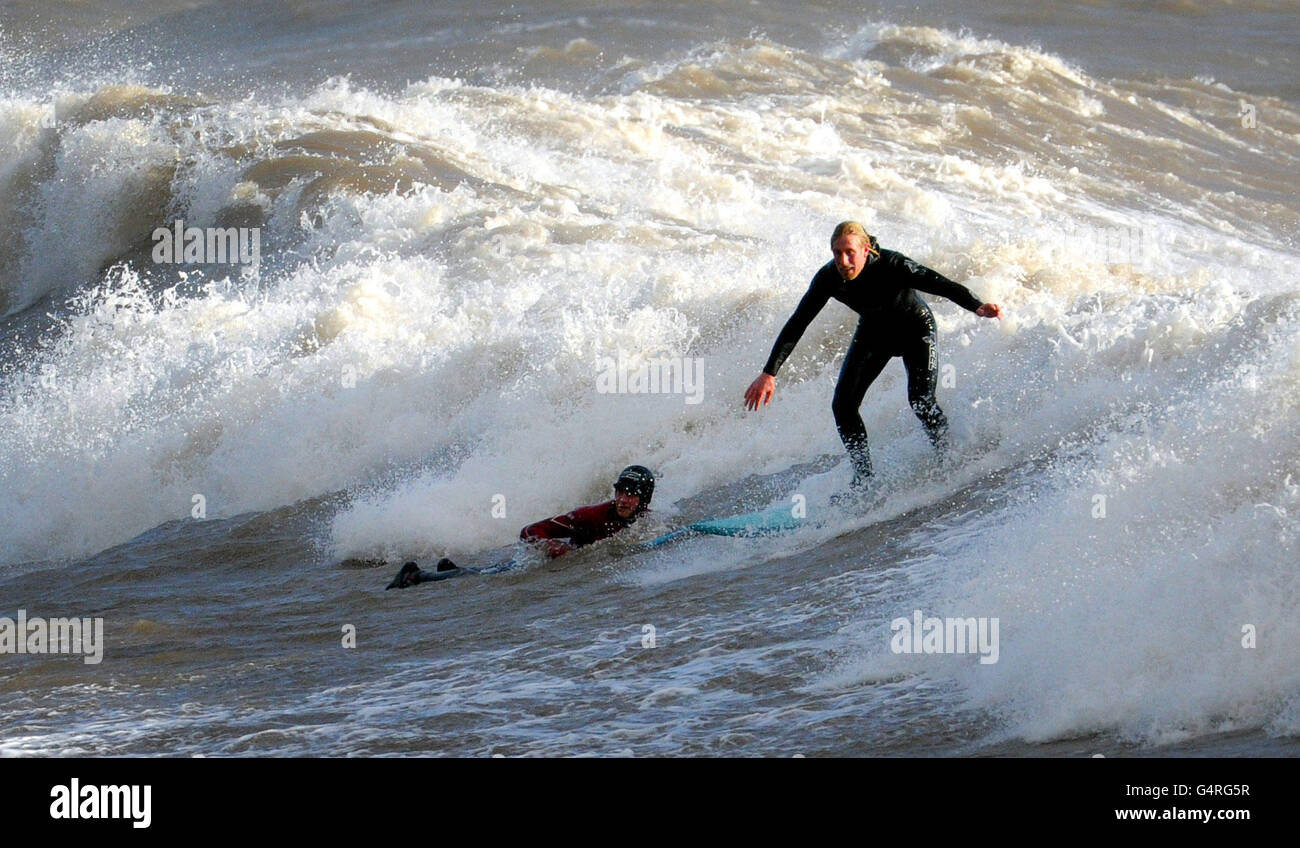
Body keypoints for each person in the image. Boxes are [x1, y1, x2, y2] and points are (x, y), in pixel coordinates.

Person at [743, 222, 1001, 492]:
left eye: (849, 252)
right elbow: (798, 322)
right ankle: (865, 478)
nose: (843, 261)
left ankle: (949, 456)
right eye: (836, 253)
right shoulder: (829, 278)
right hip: (874, 333)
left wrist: (977, 306)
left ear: (866, 250)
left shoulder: (894, 265)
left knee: (920, 400)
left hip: (915, 329)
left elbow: (941, 284)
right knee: (843, 406)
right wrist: (769, 373)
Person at [386, 465, 655, 588]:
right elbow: (529, 531)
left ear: (644, 499)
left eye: (631, 494)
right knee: (485, 577)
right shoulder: (590, 515)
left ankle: (452, 571)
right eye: (620, 491)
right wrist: (553, 547)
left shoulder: (644, 517)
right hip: (536, 562)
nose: (623, 499)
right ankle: (415, 575)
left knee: (475, 574)